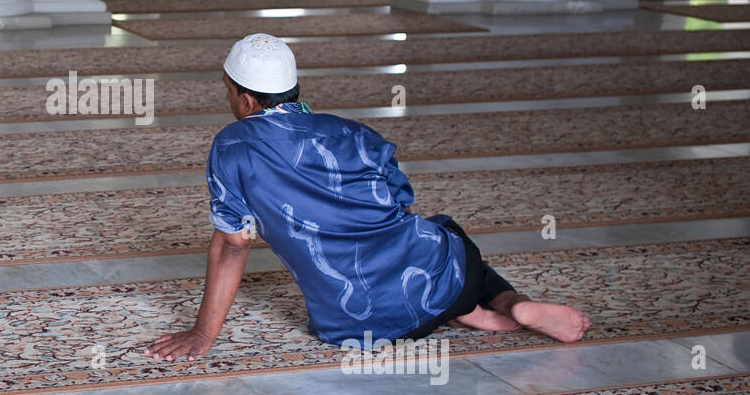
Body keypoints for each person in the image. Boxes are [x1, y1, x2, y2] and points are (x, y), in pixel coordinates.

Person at [145, 33, 591, 363]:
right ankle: (501, 305)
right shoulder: (354, 133)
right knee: (442, 232)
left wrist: (203, 334)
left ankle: (468, 312)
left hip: (353, 325)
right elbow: (401, 200)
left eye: (227, 90)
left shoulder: (232, 146)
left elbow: (232, 244)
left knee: (424, 250)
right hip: (433, 274)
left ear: (244, 100)